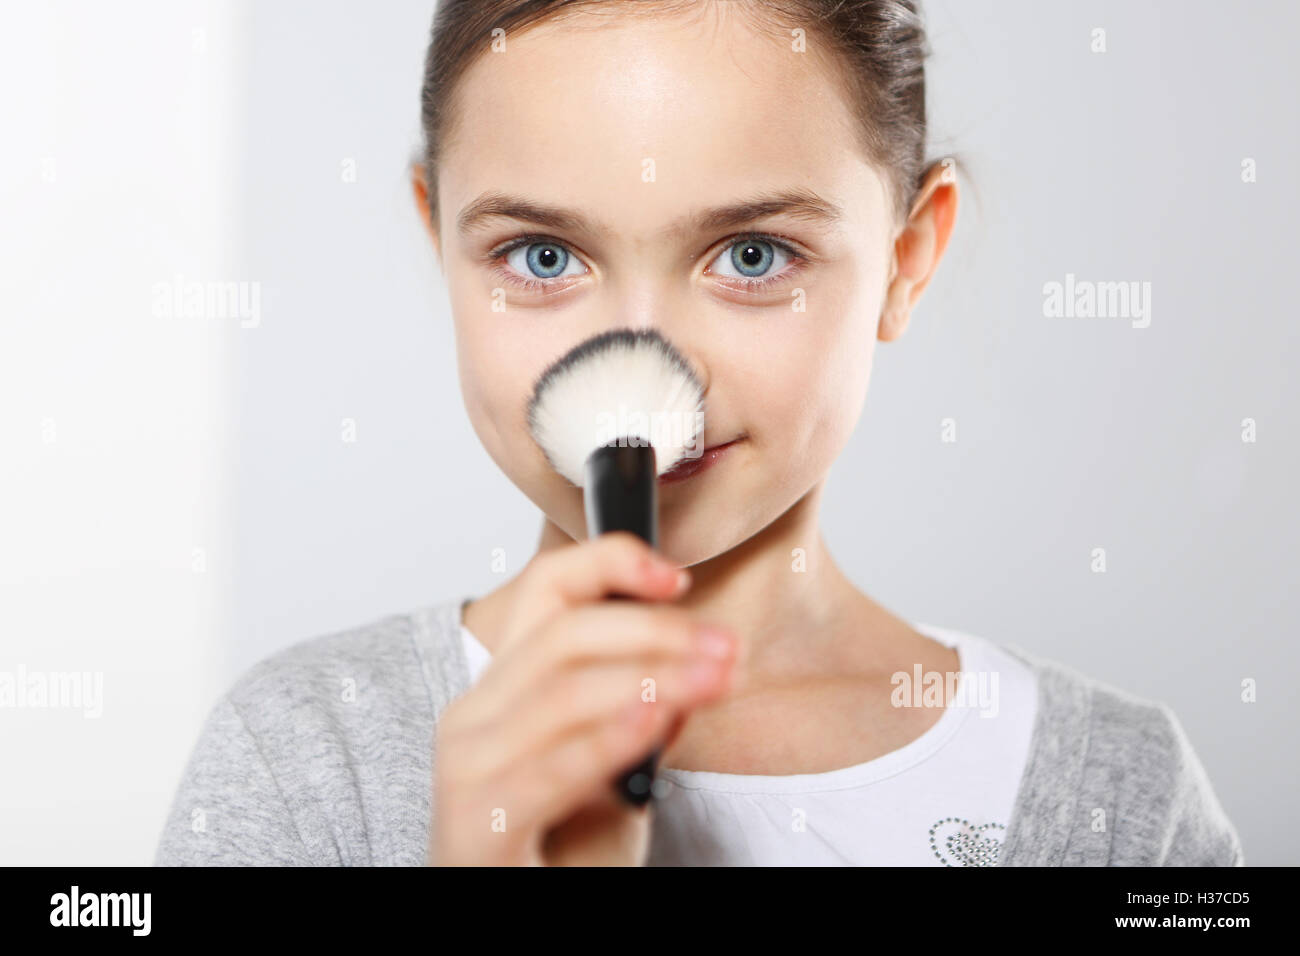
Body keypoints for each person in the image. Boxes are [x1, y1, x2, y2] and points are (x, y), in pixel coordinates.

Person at [154, 0, 1243, 866]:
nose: (647, 359)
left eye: (753, 255)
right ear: (439, 236)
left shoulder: (1113, 791)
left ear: (907, 257)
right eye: (541, 256)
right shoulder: (309, 757)